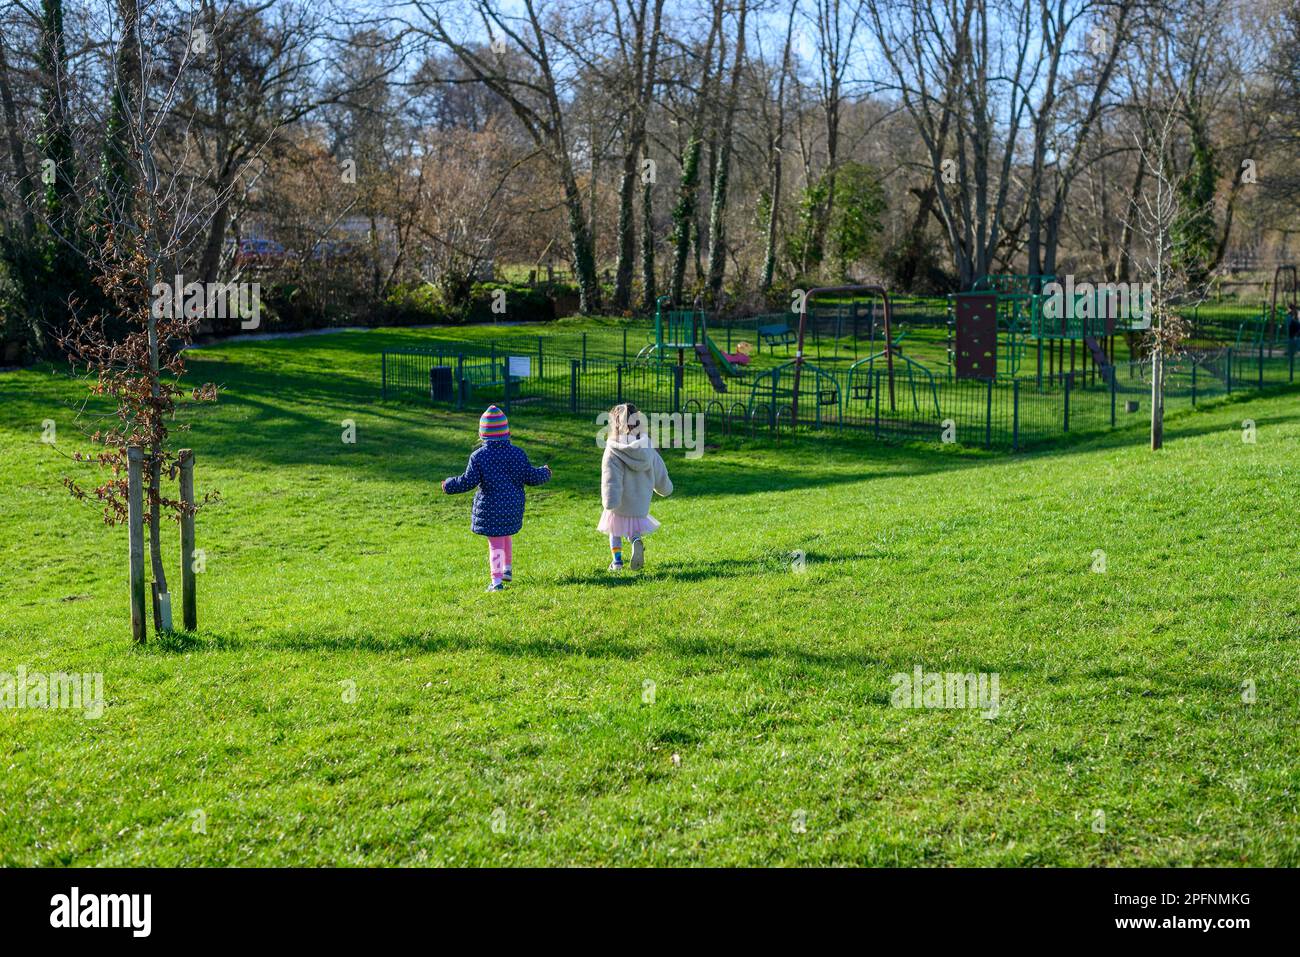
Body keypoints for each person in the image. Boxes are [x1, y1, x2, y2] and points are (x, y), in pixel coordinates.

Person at [442, 405, 551, 591]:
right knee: (506, 536)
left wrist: (449, 484)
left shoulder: (479, 457)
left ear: (482, 433)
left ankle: (497, 582)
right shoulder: (517, 454)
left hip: (491, 508)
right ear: (507, 432)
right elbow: (530, 476)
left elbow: (468, 481)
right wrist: (545, 472)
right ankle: (507, 569)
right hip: (512, 507)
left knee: (495, 544)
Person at [599, 402, 672, 571]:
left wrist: (610, 501)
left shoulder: (613, 450)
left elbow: (610, 477)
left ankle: (617, 562)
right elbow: (659, 470)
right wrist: (665, 488)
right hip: (639, 502)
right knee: (632, 528)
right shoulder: (647, 447)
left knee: (614, 530)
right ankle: (635, 541)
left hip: (619, 502)